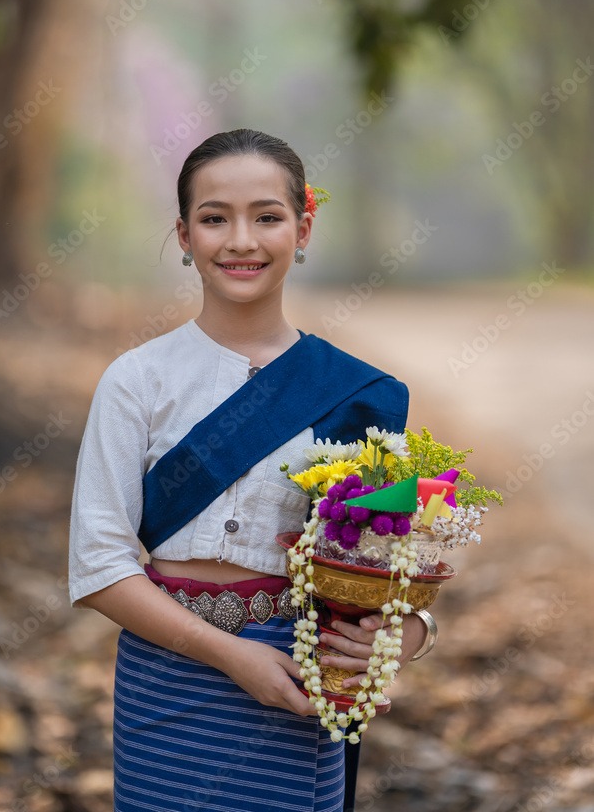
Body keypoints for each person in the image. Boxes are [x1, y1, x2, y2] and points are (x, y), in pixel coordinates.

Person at [68, 128, 429, 812]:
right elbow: (98, 566)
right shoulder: (137, 381)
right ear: (183, 235)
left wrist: (403, 635)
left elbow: (386, 573)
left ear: (303, 227)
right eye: (213, 219)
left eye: (266, 216)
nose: (241, 240)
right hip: (165, 680)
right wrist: (232, 657)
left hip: (299, 675)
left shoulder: (358, 394)